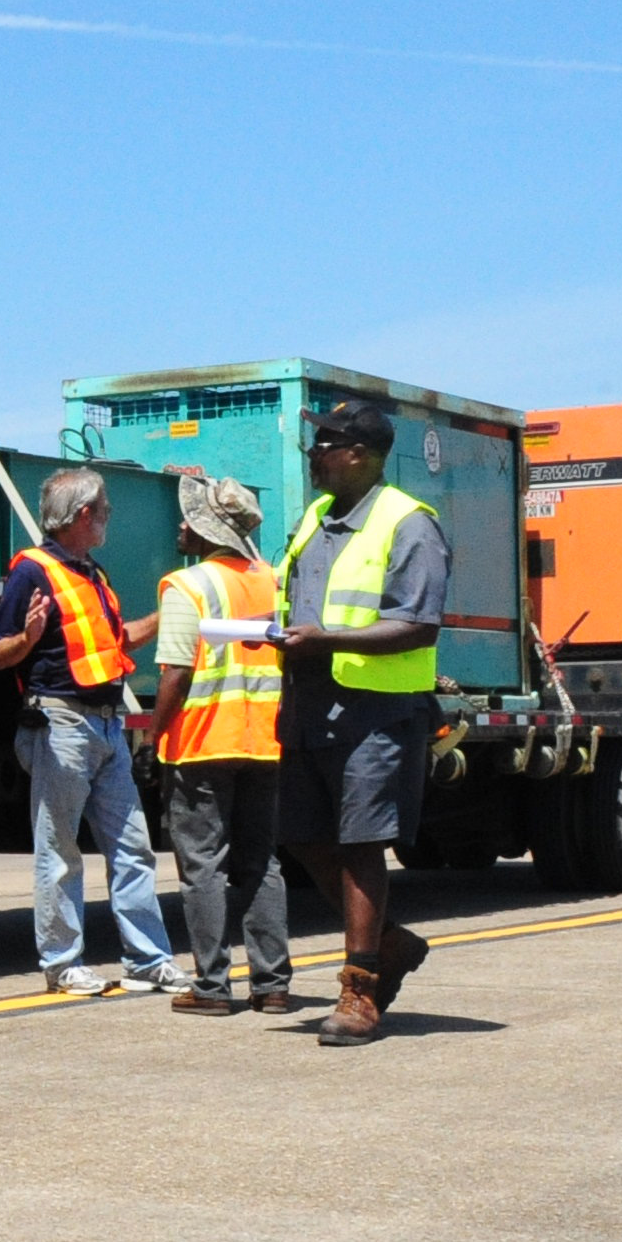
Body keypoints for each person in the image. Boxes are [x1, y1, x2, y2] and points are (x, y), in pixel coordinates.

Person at [277, 398, 450, 1047]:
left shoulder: (410, 524)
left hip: (375, 712)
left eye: (323, 444)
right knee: (300, 836)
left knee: (359, 844)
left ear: (357, 454)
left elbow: (419, 622)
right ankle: (393, 943)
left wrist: (326, 641)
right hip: (308, 704)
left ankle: (359, 987)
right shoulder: (317, 517)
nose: (313, 454)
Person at [0, 465, 177, 996]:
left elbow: (118, 643)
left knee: (133, 847)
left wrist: (169, 614)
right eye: (105, 511)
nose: (108, 519)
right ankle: (63, 963)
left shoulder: (92, 573)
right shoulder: (32, 572)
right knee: (60, 849)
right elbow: (0, 655)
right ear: (85, 514)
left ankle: (147, 960)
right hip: (61, 724)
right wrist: (28, 636)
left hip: (107, 725)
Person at [149, 478, 295, 1017]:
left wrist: (153, 735)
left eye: (189, 519)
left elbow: (176, 675)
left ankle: (211, 986)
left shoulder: (187, 585)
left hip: (203, 742)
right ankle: (272, 985)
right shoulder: (272, 582)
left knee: (203, 866)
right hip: (263, 742)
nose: (181, 526)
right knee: (261, 861)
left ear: (208, 531)